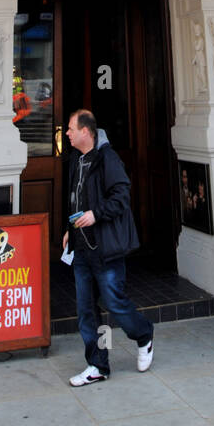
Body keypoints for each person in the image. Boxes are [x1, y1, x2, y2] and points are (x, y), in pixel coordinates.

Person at [63, 109, 154, 386]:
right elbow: (75, 199)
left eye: (70, 128)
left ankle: (143, 334)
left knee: (114, 301)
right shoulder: (74, 160)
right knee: (86, 308)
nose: (66, 133)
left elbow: (121, 197)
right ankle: (97, 365)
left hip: (105, 247)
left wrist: (95, 213)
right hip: (81, 247)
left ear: (86, 132)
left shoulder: (107, 159)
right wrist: (69, 230)